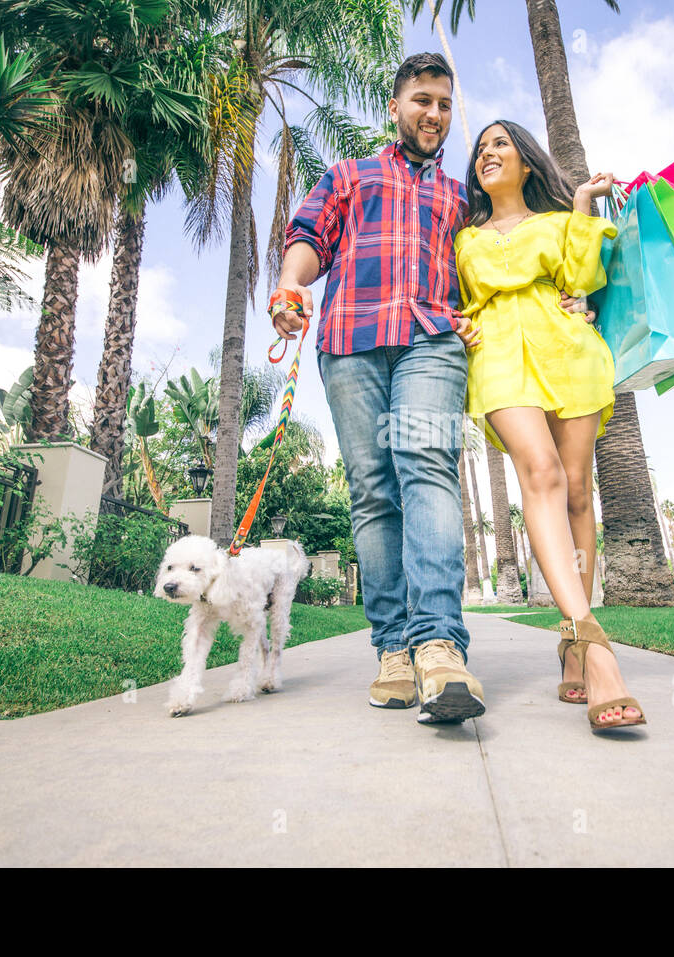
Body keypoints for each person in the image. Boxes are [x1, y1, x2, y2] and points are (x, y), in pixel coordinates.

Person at [270, 53, 481, 725]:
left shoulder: (459, 199)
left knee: (427, 470)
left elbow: (492, 271)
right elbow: (308, 238)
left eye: (444, 104)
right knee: (372, 491)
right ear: (395, 107)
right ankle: (393, 649)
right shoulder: (349, 175)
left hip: (431, 340)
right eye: (422, 100)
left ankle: (440, 643)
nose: (434, 114)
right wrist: (291, 284)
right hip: (351, 340)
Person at [451, 119, 645, 732]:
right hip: (498, 356)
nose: (487, 152)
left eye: (500, 144)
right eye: (480, 147)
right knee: (540, 472)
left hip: (568, 349)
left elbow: (583, 281)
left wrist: (583, 204)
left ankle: (567, 640)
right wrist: (456, 323)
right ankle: (595, 644)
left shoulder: (560, 222)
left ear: (527, 161)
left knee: (579, 490)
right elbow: (446, 296)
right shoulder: (462, 238)